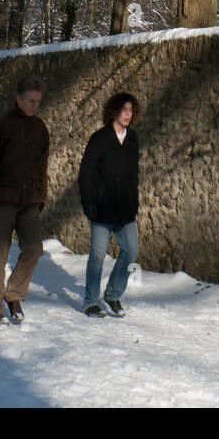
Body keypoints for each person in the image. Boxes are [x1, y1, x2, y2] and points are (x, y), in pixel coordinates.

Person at [0, 76, 49, 323]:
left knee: (35, 249)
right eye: (30, 101)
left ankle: (14, 294)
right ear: (18, 99)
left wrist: (41, 197)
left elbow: (42, 167)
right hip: (2, 200)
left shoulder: (40, 128)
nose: (34, 106)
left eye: (38, 101)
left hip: (29, 202)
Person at [78, 91, 141, 317]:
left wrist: (134, 201)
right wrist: (89, 202)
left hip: (125, 208)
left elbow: (133, 174)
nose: (127, 114)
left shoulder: (132, 139)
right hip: (102, 208)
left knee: (131, 250)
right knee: (97, 255)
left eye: (130, 110)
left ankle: (113, 294)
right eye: (123, 109)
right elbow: (86, 173)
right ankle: (91, 301)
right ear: (113, 111)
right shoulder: (99, 139)